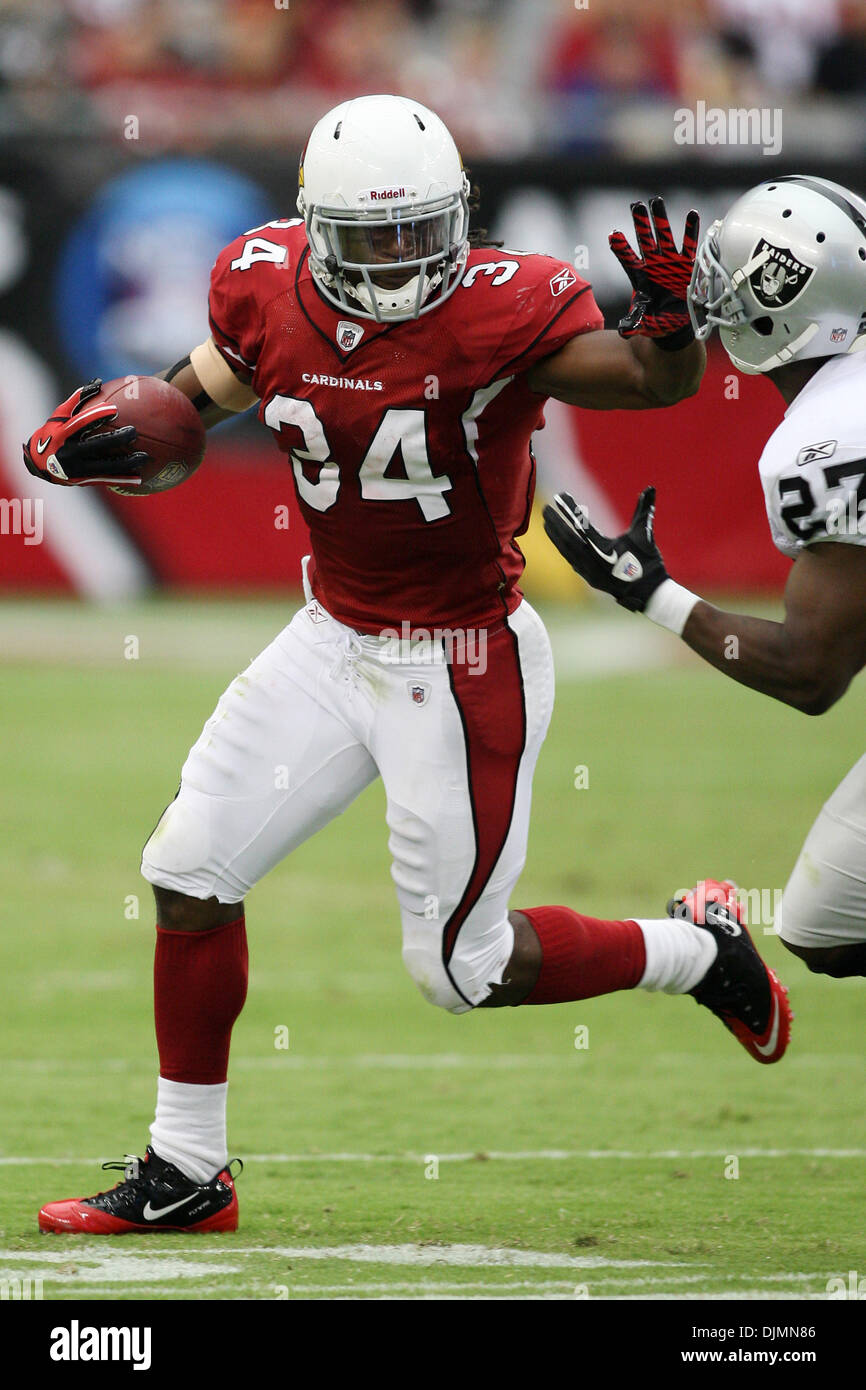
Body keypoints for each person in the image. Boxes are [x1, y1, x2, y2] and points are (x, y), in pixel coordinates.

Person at [28, 95, 790, 1236]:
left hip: (461, 656)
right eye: (367, 237)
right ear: (310, 227)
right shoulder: (259, 277)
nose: (393, 262)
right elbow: (202, 395)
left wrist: (672, 329)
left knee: (461, 970)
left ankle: (696, 947)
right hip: (329, 634)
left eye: (414, 233)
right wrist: (87, 434)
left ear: (458, 221)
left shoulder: (505, 306)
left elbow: (645, 382)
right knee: (187, 870)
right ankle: (188, 1168)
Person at [544, 173, 866, 985]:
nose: (706, 292)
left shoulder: (828, 437)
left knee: (823, 928)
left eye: (728, 273)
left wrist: (651, 592)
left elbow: (811, 673)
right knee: (824, 927)